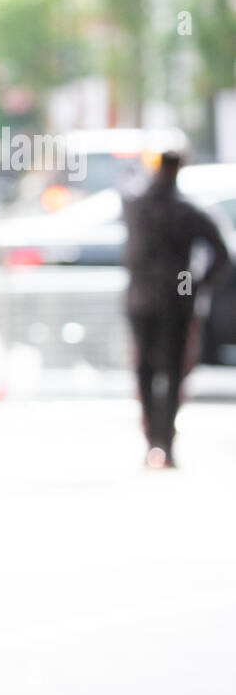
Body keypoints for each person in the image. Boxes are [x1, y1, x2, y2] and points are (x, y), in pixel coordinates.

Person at [121, 150, 230, 468]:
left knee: (147, 371)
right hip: (174, 299)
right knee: (170, 371)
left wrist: (193, 284)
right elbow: (220, 255)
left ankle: (155, 440)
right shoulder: (187, 211)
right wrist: (193, 284)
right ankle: (162, 442)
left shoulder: (138, 206)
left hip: (144, 300)